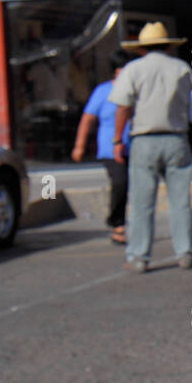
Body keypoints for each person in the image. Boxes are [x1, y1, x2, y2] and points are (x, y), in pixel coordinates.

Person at [109, 22, 192, 272]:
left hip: (144, 140)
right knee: (180, 201)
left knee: (142, 202)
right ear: (169, 46)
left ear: (142, 49)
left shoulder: (132, 69)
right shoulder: (182, 68)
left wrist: (118, 139)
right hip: (176, 138)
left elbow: (123, 107)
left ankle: (139, 257)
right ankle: (186, 252)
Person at [71, 49, 133, 245]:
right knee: (120, 183)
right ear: (116, 71)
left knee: (133, 186)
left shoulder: (137, 89)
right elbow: (87, 119)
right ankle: (117, 222)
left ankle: (126, 222)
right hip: (110, 148)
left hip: (135, 146)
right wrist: (79, 146)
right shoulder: (103, 91)